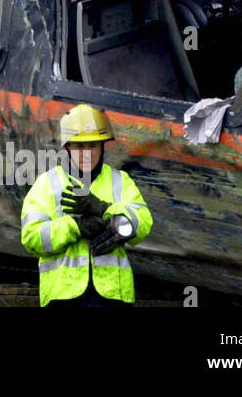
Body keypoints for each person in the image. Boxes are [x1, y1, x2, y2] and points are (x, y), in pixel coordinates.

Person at [20, 104, 152, 307]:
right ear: (67, 148)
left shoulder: (120, 181)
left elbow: (142, 224)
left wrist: (104, 209)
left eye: (92, 146)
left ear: (102, 146)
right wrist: (75, 226)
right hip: (62, 297)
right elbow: (31, 237)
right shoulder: (47, 183)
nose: (86, 154)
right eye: (79, 147)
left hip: (112, 296)